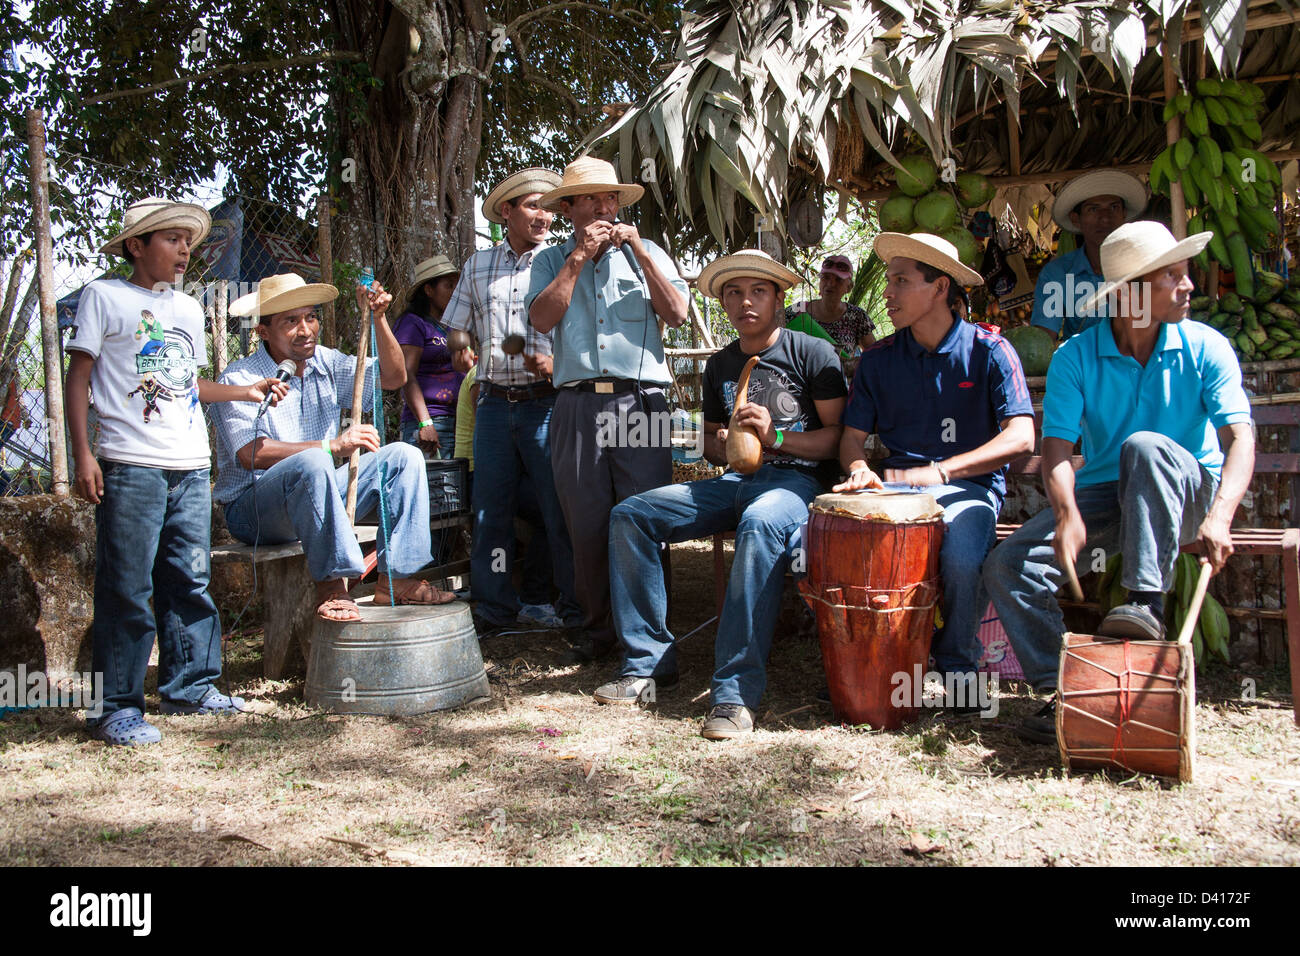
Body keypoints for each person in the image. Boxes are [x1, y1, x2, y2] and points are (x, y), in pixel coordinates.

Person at [984, 221, 1254, 742]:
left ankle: (1146, 603)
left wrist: (1219, 518)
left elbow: (1240, 440)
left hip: (1186, 495)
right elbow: (1057, 451)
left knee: (1144, 447)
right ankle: (1067, 693)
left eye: (1184, 273)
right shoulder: (1074, 357)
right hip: (1108, 496)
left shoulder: (1207, 346)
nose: (1189, 285)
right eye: (1171, 275)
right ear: (1129, 293)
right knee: (1008, 567)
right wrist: (1066, 516)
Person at [593, 250, 846, 739]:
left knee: (760, 523)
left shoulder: (813, 353)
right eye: (733, 292)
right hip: (735, 481)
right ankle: (648, 664)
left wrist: (776, 440)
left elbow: (837, 437)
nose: (744, 301)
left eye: (757, 291)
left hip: (795, 483)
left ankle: (733, 694)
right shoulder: (721, 365)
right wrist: (719, 441)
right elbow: (709, 440)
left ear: (779, 298)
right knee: (632, 514)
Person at [65, 197, 289, 746]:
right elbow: (79, 380)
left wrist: (244, 389)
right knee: (126, 584)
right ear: (135, 246)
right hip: (131, 464)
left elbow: (187, 384)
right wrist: (83, 455)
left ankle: (190, 685)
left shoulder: (187, 309)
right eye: (170, 238)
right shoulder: (104, 296)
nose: (185, 249)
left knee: (189, 577)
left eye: (187, 240)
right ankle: (115, 706)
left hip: (189, 466)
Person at [835, 233, 1035, 704]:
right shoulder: (878, 360)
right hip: (896, 490)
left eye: (901, 282)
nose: (887, 294)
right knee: (850, 540)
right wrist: (860, 468)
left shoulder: (990, 351)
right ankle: (879, 663)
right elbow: (850, 439)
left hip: (971, 490)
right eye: (889, 282)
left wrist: (944, 472)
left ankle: (957, 669)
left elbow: (1021, 436)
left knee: (963, 560)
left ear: (940, 287)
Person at [212, 272, 452, 624]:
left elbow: (393, 377)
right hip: (256, 511)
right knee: (313, 460)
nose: (306, 329)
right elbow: (250, 453)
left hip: (318, 495)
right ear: (263, 332)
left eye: (310, 317)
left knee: (404, 456)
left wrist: (379, 319)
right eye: (290, 321)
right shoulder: (240, 377)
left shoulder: (327, 362)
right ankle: (333, 586)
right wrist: (332, 445)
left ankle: (395, 578)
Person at [527, 156, 689, 662]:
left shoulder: (650, 251)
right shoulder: (551, 260)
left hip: (642, 400)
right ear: (570, 208)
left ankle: (650, 638)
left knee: (646, 515)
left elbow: (678, 313)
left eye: (611, 197)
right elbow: (541, 318)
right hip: (577, 405)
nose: (605, 207)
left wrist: (639, 251)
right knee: (588, 521)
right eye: (593, 199)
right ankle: (601, 636)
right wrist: (578, 258)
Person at [441, 167, 582, 635]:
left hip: (549, 404)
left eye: (549, 206)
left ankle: (566, 606)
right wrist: (460, 347)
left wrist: (557, 364)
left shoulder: (564, 261)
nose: (545, 216)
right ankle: (494, 609)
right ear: (507, 212)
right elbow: (457, 322)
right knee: (491, 509)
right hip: (494, 406)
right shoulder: (478, 264)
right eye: (534, 206)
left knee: (556, 508)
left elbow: (583, 332)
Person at [1030, 170, 1148, 340]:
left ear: (1123, 214)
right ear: (1076, 219)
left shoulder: (1146, 267)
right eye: (1093, 209)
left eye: (1114, 207)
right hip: (1081, 365)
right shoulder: (1057, 274)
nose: (1105, 218)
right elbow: (1043, 340)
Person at [393, 254, 464, 458]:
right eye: (448, 286)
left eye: (456, 286)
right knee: (432, 486)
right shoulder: (412, 324)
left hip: (456, 420)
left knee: (453, 486)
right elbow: (406, 374)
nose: (454, 292)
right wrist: (425, 422)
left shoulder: (451, 326)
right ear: (429, 290)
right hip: (430, 422)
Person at [785, 254, 875, 359]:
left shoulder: (857, 317)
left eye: (838, 280)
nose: (831, 283)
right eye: (826, 277)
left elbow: (874, 355)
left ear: (848, 287)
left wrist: (854, 366)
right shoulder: (797, 310)